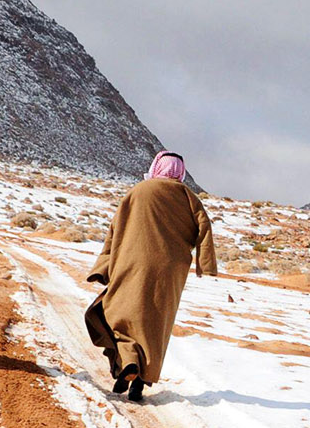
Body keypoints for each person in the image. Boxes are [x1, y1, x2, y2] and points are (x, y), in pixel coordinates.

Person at [85, 150, 216, 401]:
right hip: (170, 272)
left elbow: (115, 230)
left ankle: (128, 362)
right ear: (181, 172)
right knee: (155, 325)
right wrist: (205, 264)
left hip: (132, 263)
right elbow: (204, 229)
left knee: (118, 314)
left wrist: (103, 266)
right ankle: (140, 383)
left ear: (157, 166)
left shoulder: (138, 191)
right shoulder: (189, 198)